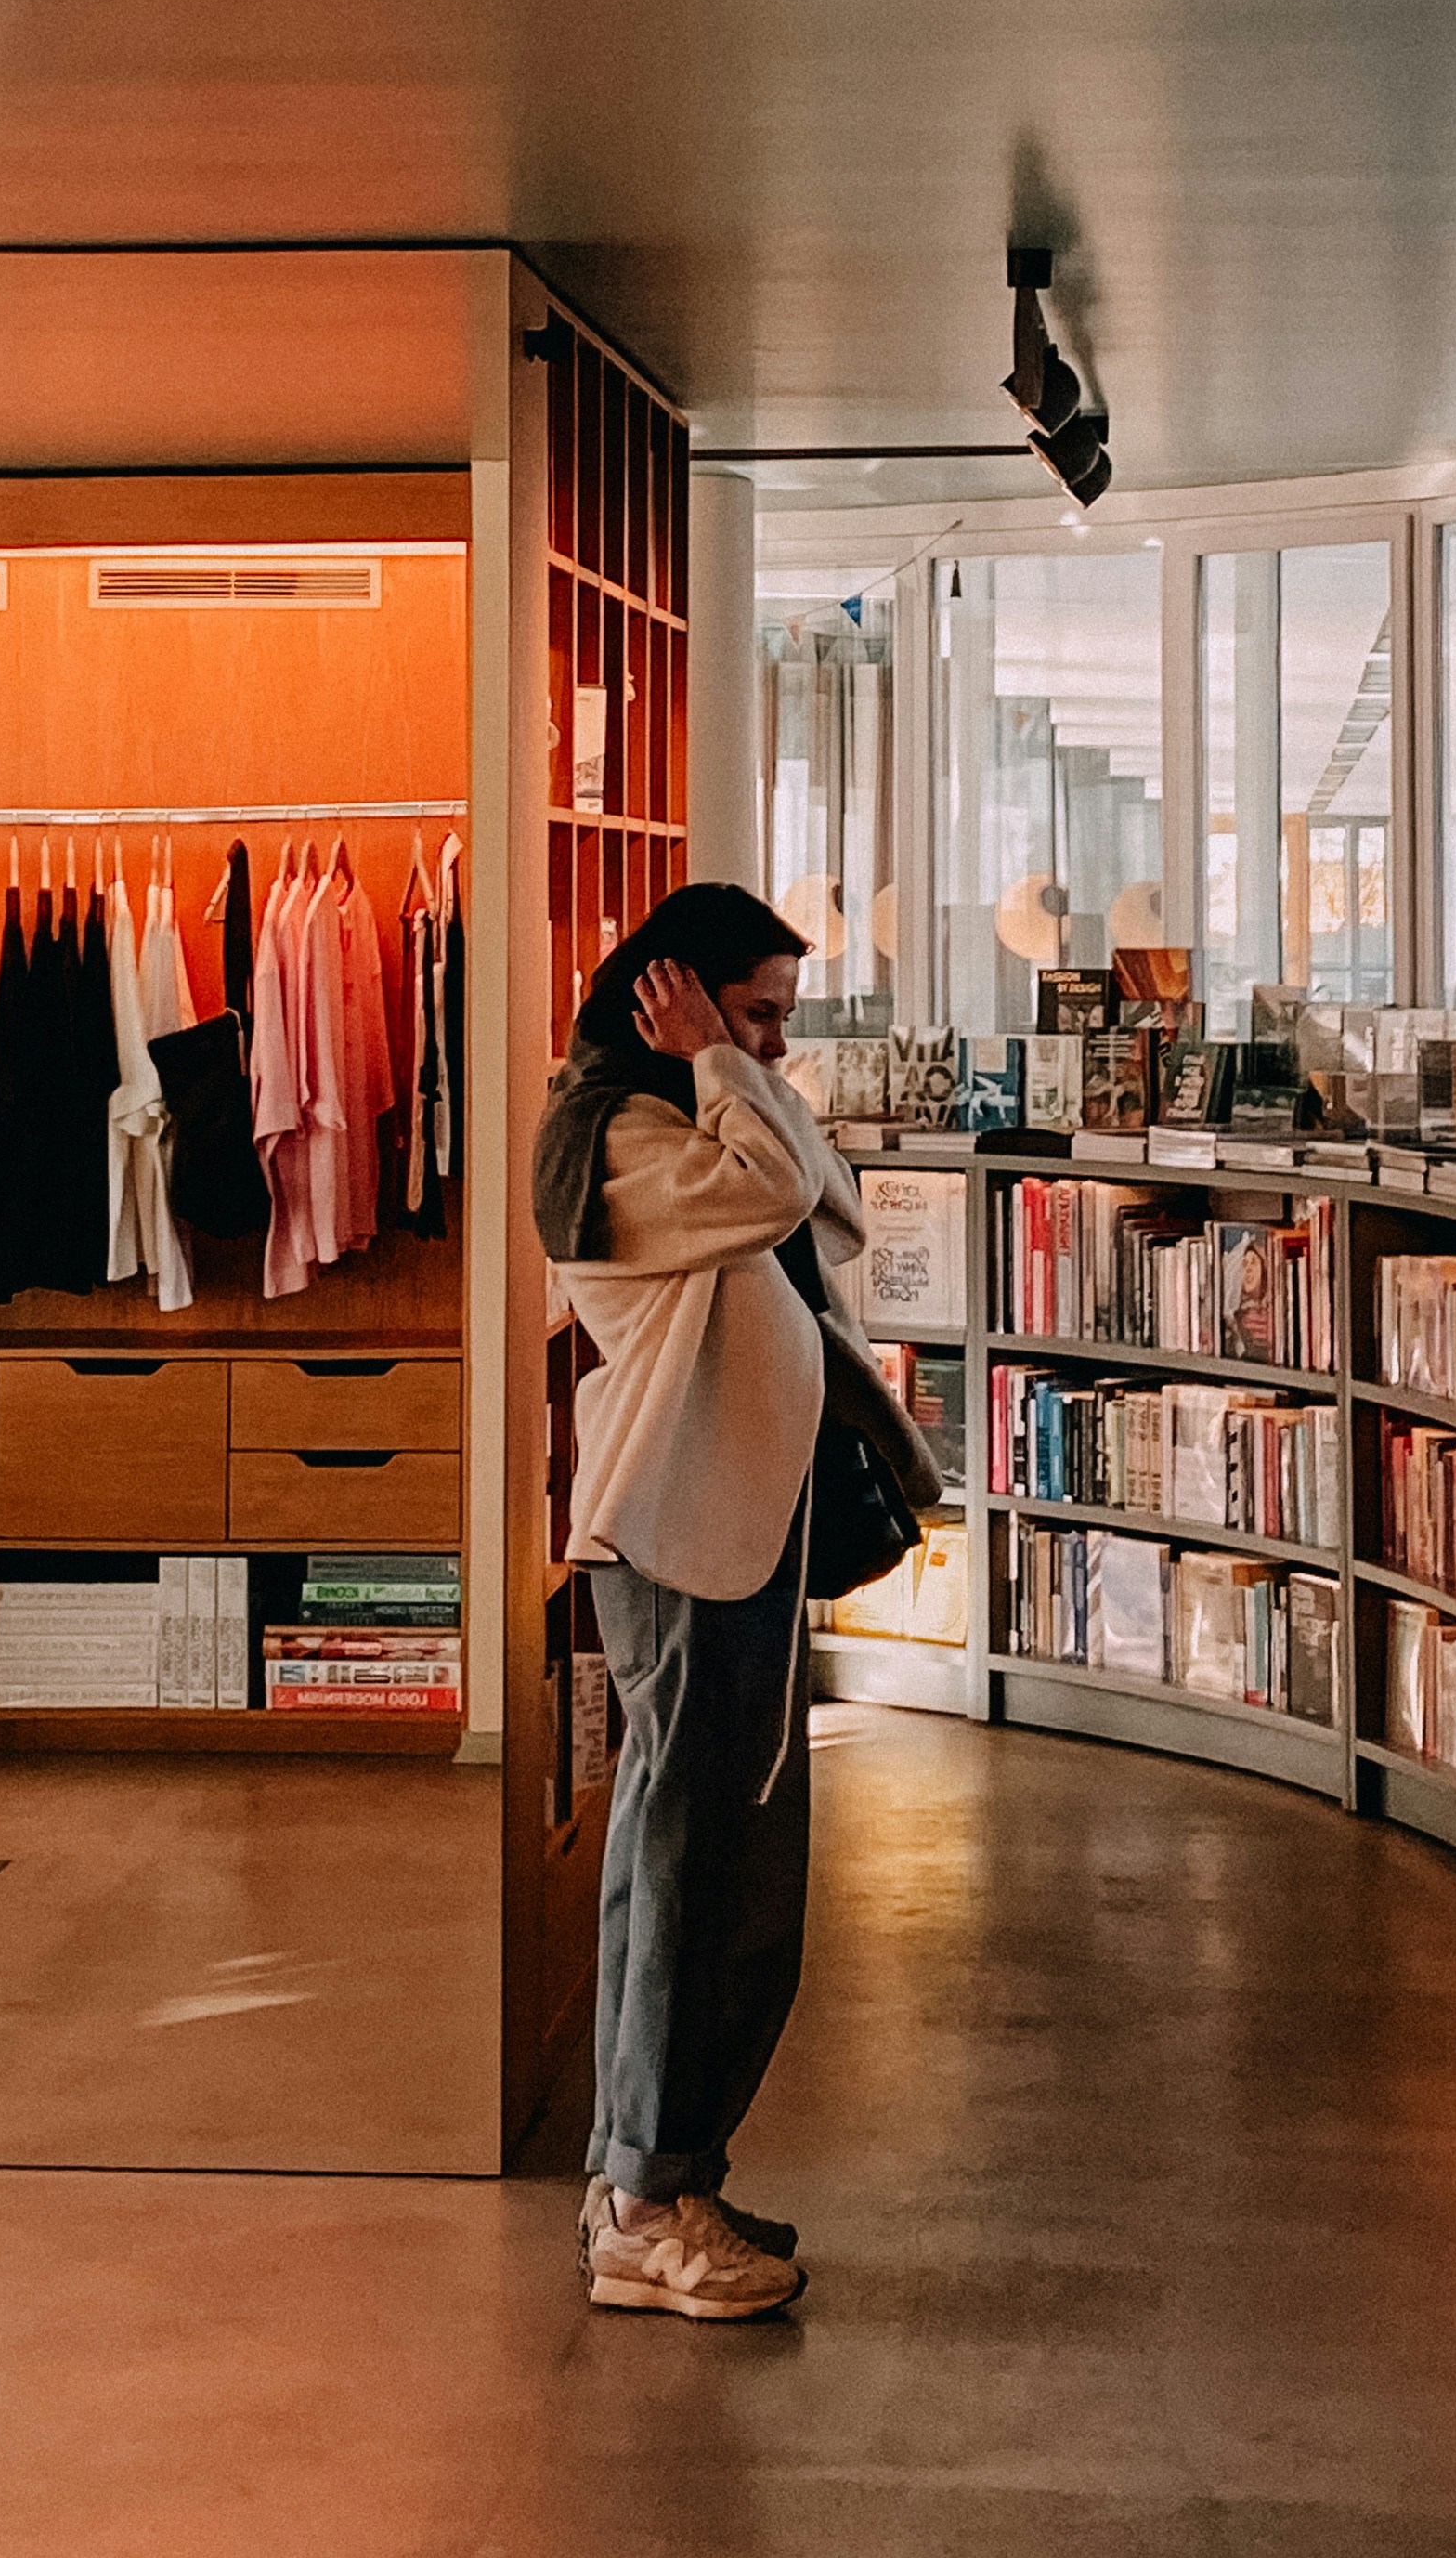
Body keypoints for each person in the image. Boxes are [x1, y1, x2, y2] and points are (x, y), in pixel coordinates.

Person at [532, 881, 941, 2322]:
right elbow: (779, 1192)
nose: (775, 1047)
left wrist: (732, 1063)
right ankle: (647, 2208)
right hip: (689, 1542)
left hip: (732, 1533)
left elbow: (817, 1194)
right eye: (752, 1012)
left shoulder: (700, 1112)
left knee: (720, 1868)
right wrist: (717, 1064)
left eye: (778, 1019)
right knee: (696, 1870)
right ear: (672, 999)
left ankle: (666, 2170)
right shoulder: (618, 1139)